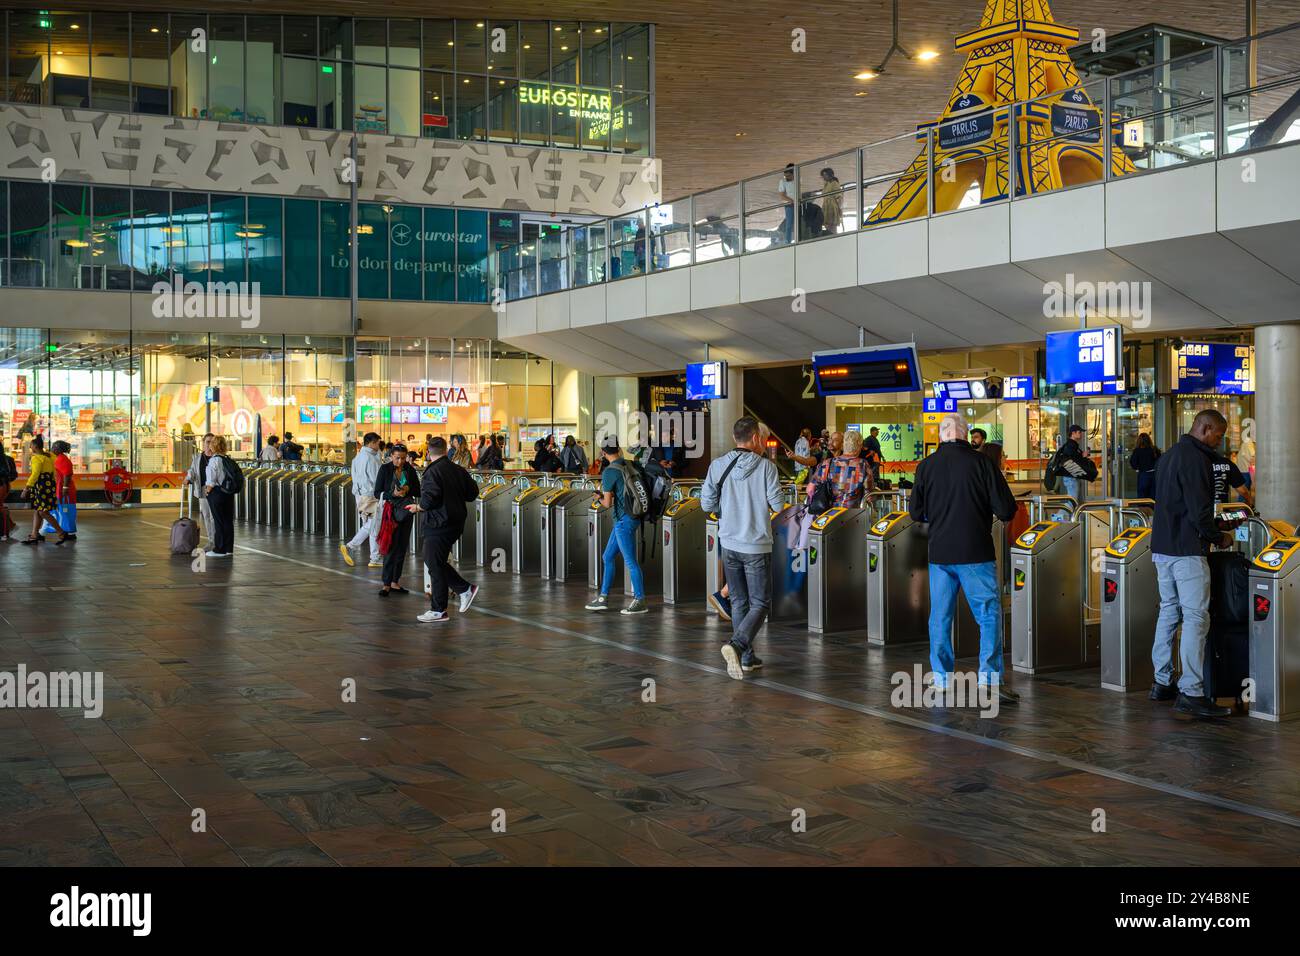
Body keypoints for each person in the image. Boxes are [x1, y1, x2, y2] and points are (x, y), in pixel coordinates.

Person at [908, 414, 1019, 701]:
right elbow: (1006, 509)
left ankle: (942, 679)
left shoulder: (926, 466)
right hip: (975, 552)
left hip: (940, 554)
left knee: (940, 617)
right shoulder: (982, 463)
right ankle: (989, 679)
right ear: (967, 435)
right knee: (988, 615)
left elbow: (916, 513)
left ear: (942, 435)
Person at [1149, 409, 1235, 718]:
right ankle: (1192, 691)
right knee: (1197, 619)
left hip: (1162, 548)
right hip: (1187, 551)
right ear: (1206, 428)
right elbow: (1199, 512)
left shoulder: (1170, 454)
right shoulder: (1198, 460)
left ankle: (1162, 681)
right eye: (1219, 435)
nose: (1219, 441)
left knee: (1169, 611)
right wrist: (1219, 537)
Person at [700, 416, 786, 680]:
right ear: (756, 439)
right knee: (760, 603)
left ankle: (747, 656)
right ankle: (737, 645)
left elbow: (706, 504)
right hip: (756, 544)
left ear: (734, 437)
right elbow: (778, 505)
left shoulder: (717, 466)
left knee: (739, 601)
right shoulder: (766, 468)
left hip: (729, 543)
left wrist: (727, 509)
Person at [407, 436, 479, 623]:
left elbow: (429, 499)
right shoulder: (458, 469)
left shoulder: (432, 472)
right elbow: (472, 494)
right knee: (435, 561)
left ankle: (441, 607)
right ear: (446, 449)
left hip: (438, 523)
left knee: (433, 561)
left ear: (428, 452)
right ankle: (461, 592)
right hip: (456, 522)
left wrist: (418, 507)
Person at [584, 439, 648, 615]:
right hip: (633, 517)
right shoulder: (629, 464)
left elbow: (607, 503)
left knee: (630, 561)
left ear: (603, 453)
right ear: (618, 449)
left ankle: (640, 600)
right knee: (607, 556)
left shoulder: (609, 472)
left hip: (623, 520)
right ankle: (603, 598)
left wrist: (598, 497)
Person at [374, 443, 421, 597]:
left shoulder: (410, 470)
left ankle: (395, 581)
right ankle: (386, 583)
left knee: (401, 547)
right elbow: (377, 492)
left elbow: (417, 490)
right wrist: (392, 494)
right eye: (397, 458)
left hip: (406, 511)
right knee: (390, 546)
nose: (400, 461)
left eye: (402, 458)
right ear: (391, 457)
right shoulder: (385, 469)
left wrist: (408, 489)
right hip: (391, 511)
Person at [340, 432, 383, 569]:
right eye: (377, 443)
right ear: (372, 443)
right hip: (370, 495)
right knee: (374, 525)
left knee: (371, 524)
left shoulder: (357, 457)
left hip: (361, 495)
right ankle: (372, 557)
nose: (378, 446)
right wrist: (377, 494)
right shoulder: (370, 458)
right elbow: (375, 479)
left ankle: (355, 548)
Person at [19, 436, 68, 545]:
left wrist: (26, 488)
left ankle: (61, 532)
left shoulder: (36, 458)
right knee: (38, 510)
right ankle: (34, 535)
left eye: (31, 444)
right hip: (49, 484)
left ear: (35, 446)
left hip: (41, 486)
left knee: (43, 511)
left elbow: (35, 474)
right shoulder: (50, 455)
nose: (30, 446)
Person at [810, 429, 871, 507]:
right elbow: (868, 494)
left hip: (829, 513)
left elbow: (811, 489)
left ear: (844, 444)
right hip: (854, 514)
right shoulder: (863, 464)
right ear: (859, 445)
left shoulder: (827, 463)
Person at [202, 435, 236, 558]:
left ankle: (219, 549)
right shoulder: (227, 459)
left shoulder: (214, 460)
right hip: (228, 493)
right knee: (227, 521)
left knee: (218, 521)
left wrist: (207, 491)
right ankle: (228, 548)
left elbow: (211, 480)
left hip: (216, 492)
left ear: (214, 445)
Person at [182, 433, 216, 549]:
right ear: (203, 443)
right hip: (202, 490)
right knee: (206, 516)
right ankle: (211, 541)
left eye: (212, 442)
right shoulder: (197, 458)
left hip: (215, 491)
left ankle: (216, 541)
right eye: (207, 442)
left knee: (214, 516)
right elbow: (192, 471)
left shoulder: (217, 458)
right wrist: (188, 478)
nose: (210, 445)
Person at [1049, 424, 1095, 503]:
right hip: (1071, 478)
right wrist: (1082, 455)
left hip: (1072, 477)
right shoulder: (1071, 445)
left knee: (1074, 501)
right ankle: (1058, 515)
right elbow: (1071, 460)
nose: (1081, 434)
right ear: (1073, 433)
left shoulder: (1073, 445)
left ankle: (1071, 515)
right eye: (1079, 432)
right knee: (1072, 502)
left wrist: (1082, 455)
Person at [50, 440, 77, 541]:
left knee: (67, 510)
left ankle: (70, 532)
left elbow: (67, 474)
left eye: (53, 447)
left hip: (66, 492)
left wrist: (65, 488)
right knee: (63, 510)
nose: (52, 449)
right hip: (62, 489)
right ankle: (66, 530)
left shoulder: (62, 459)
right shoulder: (60, 458)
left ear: (58, 449)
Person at [1129, 433, 1160, 499]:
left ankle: (1143, 509)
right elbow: (1159, 461)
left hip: (1143, 475)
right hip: (1154, 475)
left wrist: (1137, 468)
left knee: (1142, 498)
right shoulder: (1154, 449)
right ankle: (1152, 509)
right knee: (1153, 497)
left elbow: (1133, 463)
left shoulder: (1137, 451)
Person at [0, 439, 17, 541]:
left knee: (0, 508)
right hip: (5, 485)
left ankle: (5, 531)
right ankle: (6, 530)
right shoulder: (8, 459)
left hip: (1, 485)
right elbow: (13, 475)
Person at [819, 167, 843, 234]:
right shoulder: (826, 184)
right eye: (823, 175)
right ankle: (830, 236)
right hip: (826, 205)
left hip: (832, 206)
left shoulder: (835, 183)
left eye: (825, 175)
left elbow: (839, 197)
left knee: (832, 226)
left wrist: (839, 208)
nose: (824, 177)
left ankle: (834, 237)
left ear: (830, 175)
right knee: (827, 225)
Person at [778, 163, 796, 244]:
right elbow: (782, 196)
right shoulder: (783, 181)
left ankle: (798, 238)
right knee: (789, 224)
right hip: (789, 205)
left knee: (798, 222)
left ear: (793, 174)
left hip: (798, 203)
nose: (786, 178)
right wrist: (792, 201)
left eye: (788, 176)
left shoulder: (798, 179)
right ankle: (787, 241)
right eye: (785, 176)